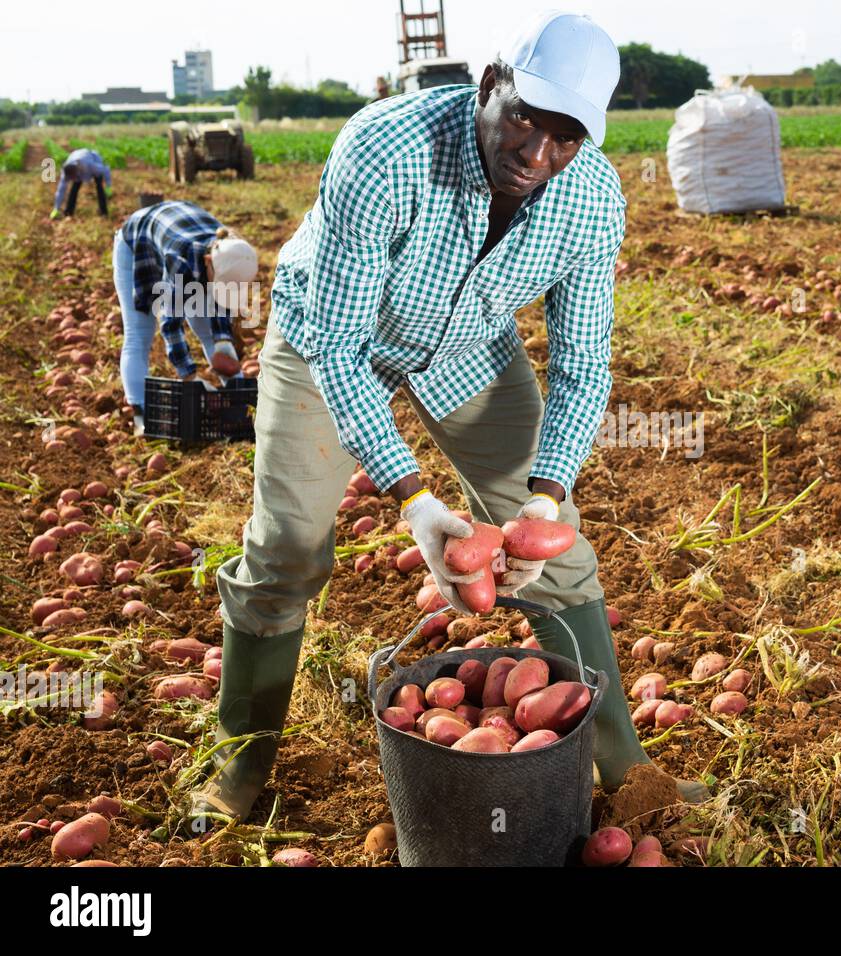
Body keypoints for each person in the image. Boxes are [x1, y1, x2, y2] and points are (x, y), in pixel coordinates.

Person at [191, 10, 709, 829]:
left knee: (564, 557)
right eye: (526, 120)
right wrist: (415, 500)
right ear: (491, 84)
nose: (537, 155)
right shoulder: (386, 149)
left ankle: (623, 766)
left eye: (565, 137)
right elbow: (341, 344)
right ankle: (242, 758)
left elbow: (581, 365)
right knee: (285, 549)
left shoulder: (593, 197)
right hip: (329, 336)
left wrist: (541, 500)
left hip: (468, 347)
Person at [113, 200, 255, 433]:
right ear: (208, 262)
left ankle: (237, 402)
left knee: (210, 332)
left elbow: (220, 300)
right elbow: (170, 323)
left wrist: (223, 344)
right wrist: (189, 377)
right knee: (139, 332)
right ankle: (141, 413)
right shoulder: (181, 261)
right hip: (136, 245)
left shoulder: (231, 252)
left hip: (175, 230)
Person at [51, 148, 112, 219]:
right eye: (71, 178)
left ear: (76, 172)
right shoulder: (66, 172)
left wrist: (108, 185)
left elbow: (105, 170)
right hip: (77, 158)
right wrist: (56, 208)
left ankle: (104, 213)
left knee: (99, 188)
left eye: (73, 177)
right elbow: (61, 190)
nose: (72, 179)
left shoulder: (91, 166)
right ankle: (68, 213)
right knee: (74, 189)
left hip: (93, 159)